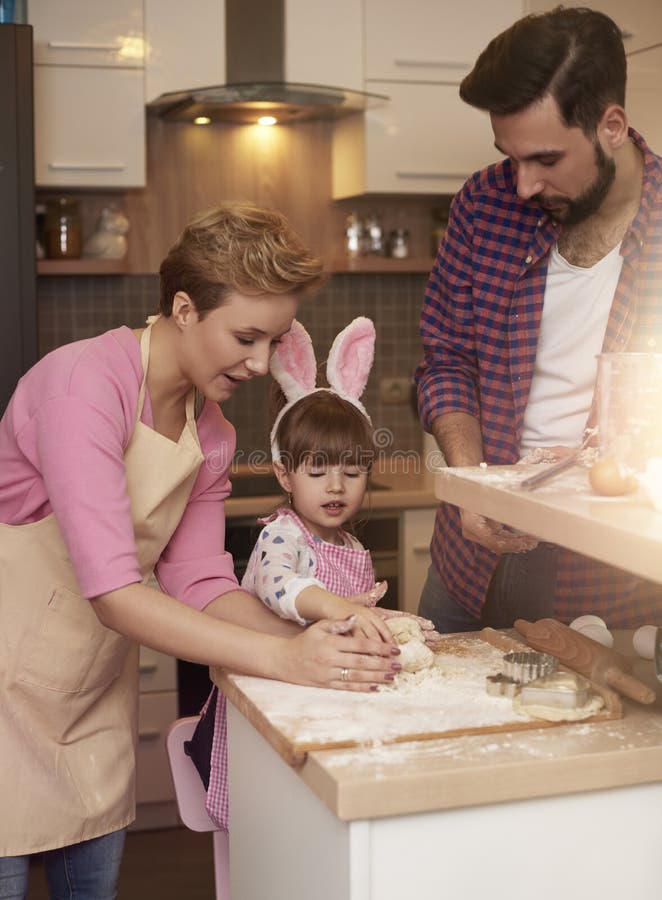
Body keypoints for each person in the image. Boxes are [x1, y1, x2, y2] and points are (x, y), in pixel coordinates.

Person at [0, 203, 401, 899]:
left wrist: (327, 639)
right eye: (246, 337)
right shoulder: (83, 390)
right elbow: (115, 591)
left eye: (274, 342)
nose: (260, 364)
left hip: (87, 697)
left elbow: (199, 582)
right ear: (183, 308)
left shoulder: (209, 431)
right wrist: (284, 657)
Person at [415, 6, 662, 634]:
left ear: (612, 125)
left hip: (611, 577)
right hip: (465, 564)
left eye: (546, 159)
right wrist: (473, 484)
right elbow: (446, 358)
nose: (523, 184)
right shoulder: (483, 203)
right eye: (510, 156)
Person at [198, 316, 440, 828]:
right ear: (285, 472)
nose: (336, 487)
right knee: (279, 825)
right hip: (271, 707)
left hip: (323, 698)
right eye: (317, 471)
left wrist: (392, 623)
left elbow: (350, 621)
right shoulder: (280, 536)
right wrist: (342, 607)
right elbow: (283, 587)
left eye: (352, 472)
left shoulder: (350, 544)